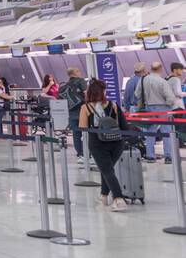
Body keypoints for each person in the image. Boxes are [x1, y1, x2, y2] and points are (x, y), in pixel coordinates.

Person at [79, 77, 130, 211]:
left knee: (107, 170)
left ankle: (119, 199)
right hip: (117, 142)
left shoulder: (86, 107)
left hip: (97, 143)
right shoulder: (113, 105)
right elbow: (124, 125)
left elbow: (83, 127)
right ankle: (103, 196)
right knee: (107, 169)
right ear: (103, 92)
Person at [141, 63, 177, 163]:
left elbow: (137, 94)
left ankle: (150, 156)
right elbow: (170, 98)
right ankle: (168, 157)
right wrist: (169, 105)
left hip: (148, 108)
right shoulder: (162, 81)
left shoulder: (143, 80)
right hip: (163, 108)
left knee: (150, 132)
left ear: (151, 68)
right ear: (160, 69)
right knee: (166, 132)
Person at [62, 67, 87, 157]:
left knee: (76, 134)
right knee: (86, 132)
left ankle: (80, 153)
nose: (80, 72)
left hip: (71, 111)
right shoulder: (81, 81)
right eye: (78, 70)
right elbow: (86, 93)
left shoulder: (66, 85)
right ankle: (87, 153)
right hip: (82, 110)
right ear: (75, 72)